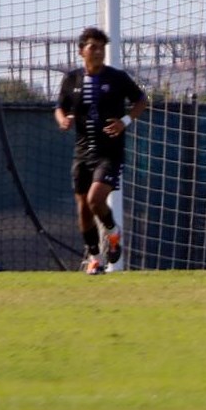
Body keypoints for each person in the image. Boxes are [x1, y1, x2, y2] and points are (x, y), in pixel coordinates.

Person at [54, 26, 148, 275]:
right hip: (82, 152)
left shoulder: (116, 78)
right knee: (83, 207)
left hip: (109, 153)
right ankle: (94, 257)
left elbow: (141, 100)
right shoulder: (71, 79)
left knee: (96, 200)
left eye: (101, 48)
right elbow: (59, 107)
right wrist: (62, 119)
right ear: (81, 51)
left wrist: (124, 122)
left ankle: (114, 233)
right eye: (93, 47)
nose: (98, 52)